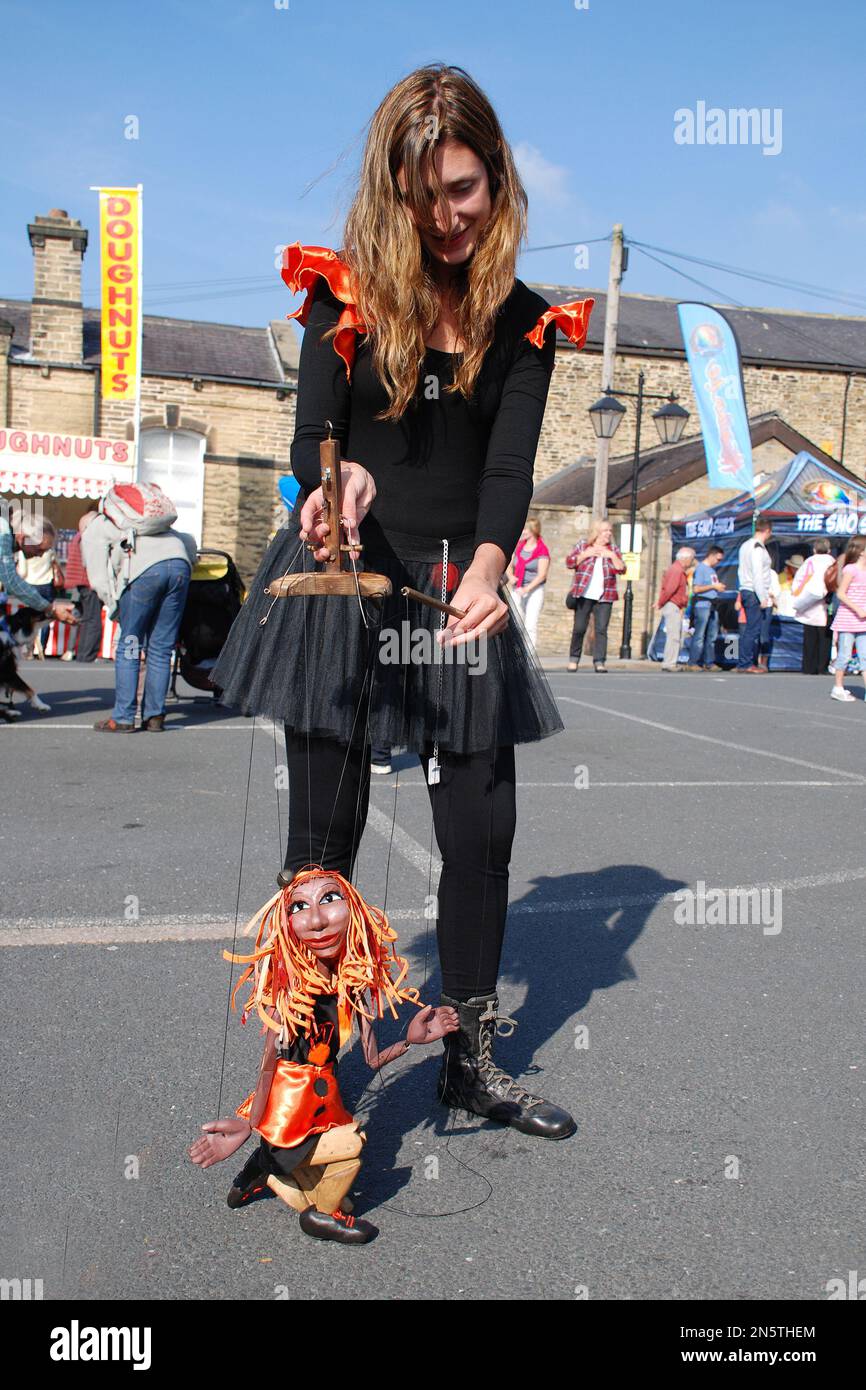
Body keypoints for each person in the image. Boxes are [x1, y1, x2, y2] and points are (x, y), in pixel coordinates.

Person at [212, 64, 595, 1140]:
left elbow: (506, 469)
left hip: (449, 589)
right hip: (342, 569)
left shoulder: (524, 322)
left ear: (499, 178)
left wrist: (487, 569)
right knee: (319, 846)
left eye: (465, 189)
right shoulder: (345, 289)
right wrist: (334, 482)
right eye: (423, 194)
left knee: (480, 828)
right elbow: (311, 436)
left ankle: (469, 1063)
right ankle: (303, 1091)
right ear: (393, 190)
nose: (445, 216)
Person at [189, 867, 459, 1244]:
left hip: (324, 1096)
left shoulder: (352, 986)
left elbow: (372, 1061)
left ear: (357, 910)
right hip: (289, 1100)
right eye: (300, 906)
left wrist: (412, 1041)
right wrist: (248, 1123)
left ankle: (266, 1170)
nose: (316, 919)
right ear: (286, 923)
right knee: (350, 1148)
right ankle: (318, 1216)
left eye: (330, 899)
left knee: (328, 1174)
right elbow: (269, 1065)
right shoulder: (291, 993)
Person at [82, 490, 196, 732]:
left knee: (130, 646)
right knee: (161, 648)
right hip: (179, 566)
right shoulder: (149, 521)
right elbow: (189, 542)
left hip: (144, 574)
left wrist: (113, 606)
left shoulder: (99, 525)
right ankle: (154, 716)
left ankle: (123, 717)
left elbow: (98, 578)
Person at [0, 506, 78, 628]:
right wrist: (50, 608)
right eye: (39, 549)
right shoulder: (3, 533)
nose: (41, 555)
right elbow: (10, 579)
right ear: (23, 538)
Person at [564, 519, 626, 672]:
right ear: (597, 532)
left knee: (601, 629)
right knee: (579, 628)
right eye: (605, 531)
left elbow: (622, 569)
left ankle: (599, 661)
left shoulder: (613, 549)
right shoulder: (583, 546)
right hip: (583, 594)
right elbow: (570, 562)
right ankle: (574, 659)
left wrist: (611, 555)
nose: (608, 534)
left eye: (610, 531)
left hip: (605, 595)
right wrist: (585, 555)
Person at [15, 517, 64, 656]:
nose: (39, 554)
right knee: (44, 619)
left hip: (29, 584)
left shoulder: (22, 550)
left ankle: (28, 647)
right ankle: (41, 646)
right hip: (46, 585)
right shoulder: (50, 551)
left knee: (29, 618)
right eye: (38, 551)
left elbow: (22, 573)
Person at [829, 536, 866, 703]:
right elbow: (841, 593)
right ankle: (838, 688)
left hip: (863, 621)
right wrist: (858, 609)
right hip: (847, 619)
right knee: (844, 655)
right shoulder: (851, 569)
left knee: (865, 656)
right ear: (861, 551)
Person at [62, 511, 103, 662]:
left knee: (86, 619)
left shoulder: (78, 536)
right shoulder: (88, 538)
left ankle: (82, 654)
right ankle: (87, 655)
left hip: (80, 582)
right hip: (88, 582)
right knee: (93, 621)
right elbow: (90, 562)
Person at [791, 538, 834, 675]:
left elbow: (798, 581)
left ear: (814, 550)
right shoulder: (832, 561)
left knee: (809, 637)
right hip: (824, 604)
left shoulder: (808, 562)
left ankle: (808, 667)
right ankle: (822, 667)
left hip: (808, 604)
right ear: (829, 550)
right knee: (825, 638)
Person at [736, 515, 773, 673]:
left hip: (745, 588)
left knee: (749, 629)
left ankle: (744, 662)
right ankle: (746, 663)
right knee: (753, 629)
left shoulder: (745, 545)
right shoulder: (758, 548)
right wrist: (762, 596)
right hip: (753, 591)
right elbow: (758, 574)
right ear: (768, 531)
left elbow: (741, 571)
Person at [508, 515, 549, 649]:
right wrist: (511, 576)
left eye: (525, 529)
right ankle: (517, 652)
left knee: (530, 624)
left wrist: (527, 589)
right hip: (517, 588)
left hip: (534, 590)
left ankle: (529, 656)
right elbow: (509, 563)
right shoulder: (519, 547)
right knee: (515, 623)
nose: (522, 532)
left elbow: (542, 575)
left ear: (533, 531)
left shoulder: (542, 550)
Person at [656, 546, 695, 671]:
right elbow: (669, 589)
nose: (692, 562)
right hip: (672, 605)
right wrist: (660, 603)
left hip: (675, 605)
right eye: (691, 559)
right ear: (686, 558)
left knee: (675, 635)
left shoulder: (678, 570)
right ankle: (669, 663)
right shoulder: (677, 570)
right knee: (674, 636)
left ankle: (670, 662)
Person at [686, 544, 725, 670]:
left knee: (712, 636)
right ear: (712, 556)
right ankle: (693, 662)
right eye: (718, 559)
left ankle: (709, 662)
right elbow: (696, 589)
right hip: (703, 605)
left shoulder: (712, 571)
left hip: (712, 604)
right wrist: (714, 587)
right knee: (699, 635)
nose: (718, 562)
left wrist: (717, 588)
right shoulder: (701, 569)